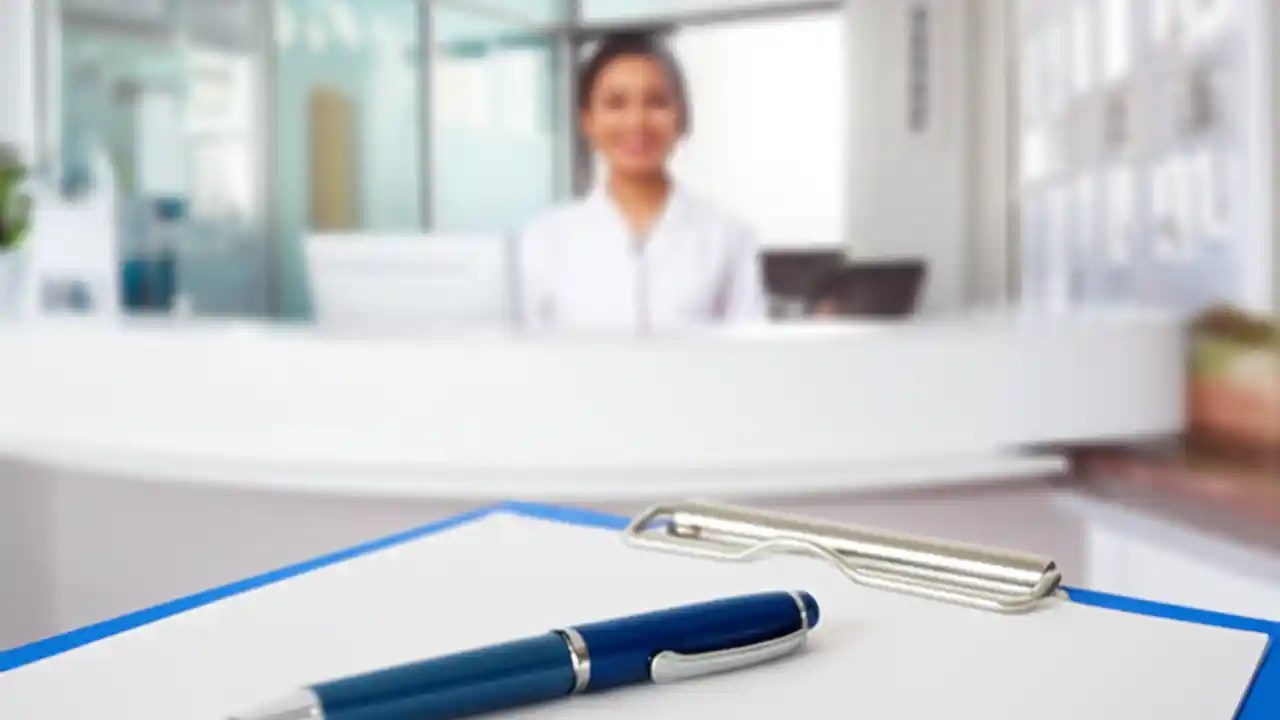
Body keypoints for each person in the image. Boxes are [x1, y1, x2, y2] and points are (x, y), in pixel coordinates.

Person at [517, 33, 768, 332]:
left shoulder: (727, 236)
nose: (636, 122)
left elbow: (751, 360)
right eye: (615, 104)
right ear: (587, 120)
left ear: (682, 117)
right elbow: (527, 362)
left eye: (657, 102)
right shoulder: (545, 239)